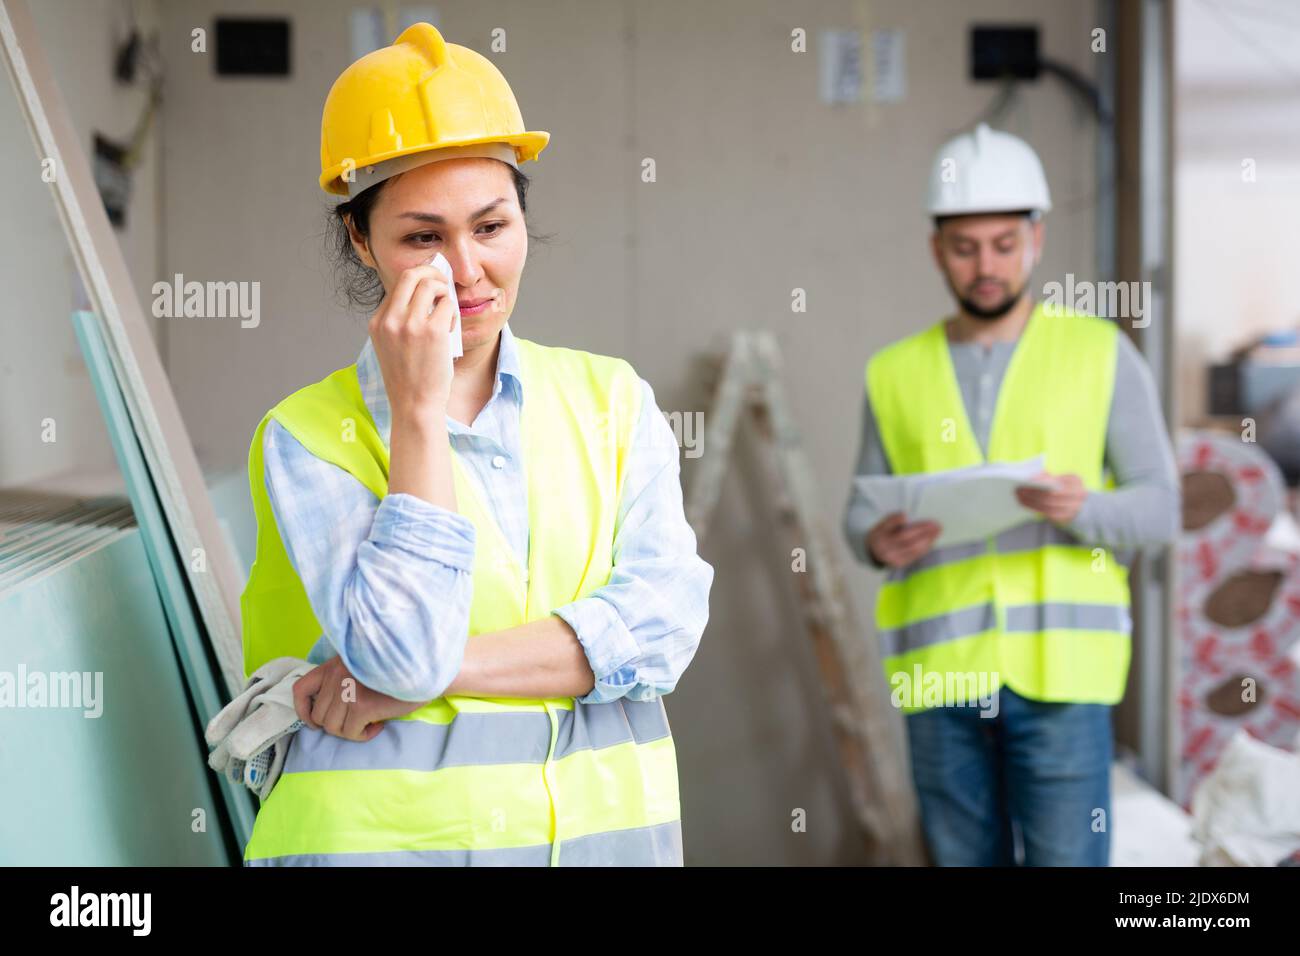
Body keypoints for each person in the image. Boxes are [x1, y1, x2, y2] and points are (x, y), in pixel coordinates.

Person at [239, 22, 713, 866]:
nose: (466, 271)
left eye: (491, 226)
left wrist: (424, 676)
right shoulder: (308, 437)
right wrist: (417, 414)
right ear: (362, 240)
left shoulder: (611, 400)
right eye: (424, 238)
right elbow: (399, 652)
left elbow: (664, 628)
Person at [842, 124, 1179, 866]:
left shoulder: (1099, 354)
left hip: (1061, 678)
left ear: (1036, 240)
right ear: (937, 250)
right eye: (965, 248)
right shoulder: (894, 371)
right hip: (941, 679)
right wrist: (876, 539)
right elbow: (861, 512)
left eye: (1002, 244)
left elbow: (1161, 508)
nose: (985, 266)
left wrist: (1083, 507)